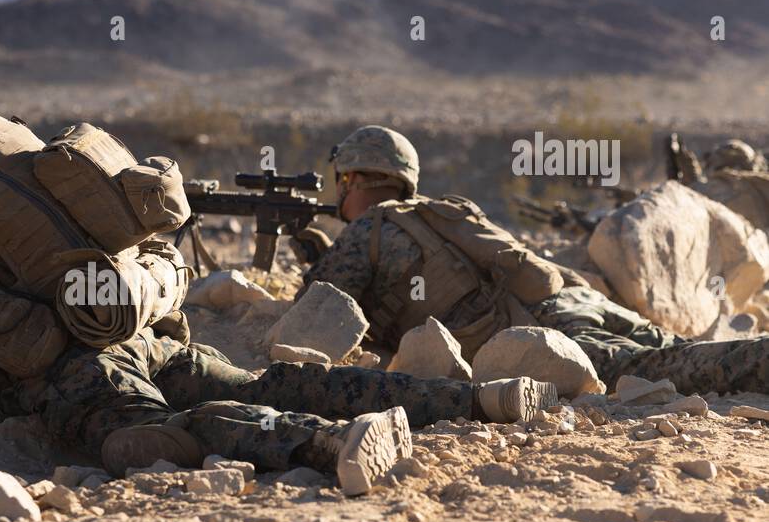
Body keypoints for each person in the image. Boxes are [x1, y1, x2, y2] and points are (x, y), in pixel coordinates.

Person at [0, 108, 554, 495]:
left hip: (64, 368)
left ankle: (329, 445)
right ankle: (470, 397)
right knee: (259, 381)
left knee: (162, 433)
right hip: (125, 322)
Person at [305, 125, 769, 395]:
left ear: (355, 178)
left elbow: (317, 315)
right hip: (573, 296)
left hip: (543, 329)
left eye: (342, 179)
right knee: (676, 350)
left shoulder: (369, 230)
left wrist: (311, 256)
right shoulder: (440, 211)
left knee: (663, 372)